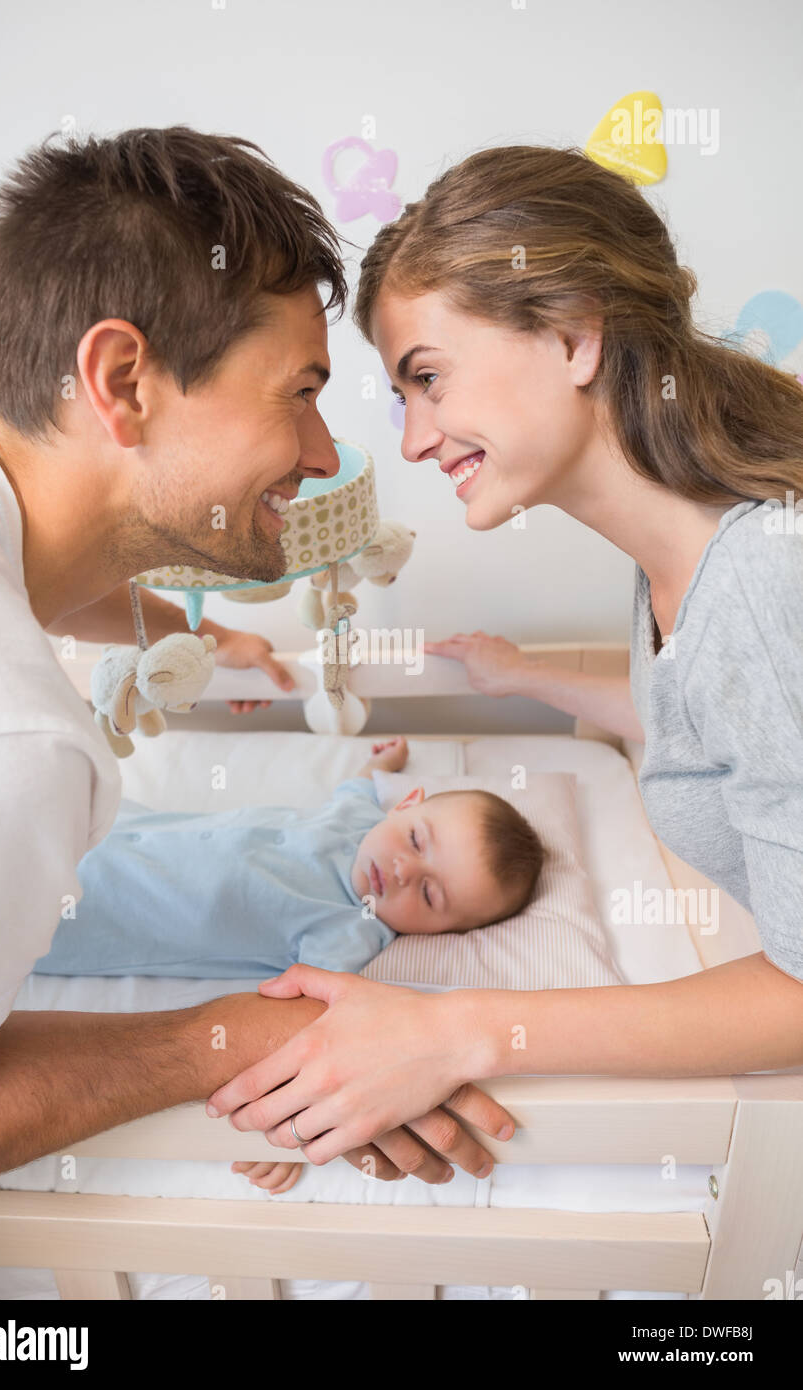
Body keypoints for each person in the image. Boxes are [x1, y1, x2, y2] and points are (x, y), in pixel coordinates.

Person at [205, 144, 803, 1172]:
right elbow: (723, 722)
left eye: (425, 380)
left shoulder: (754, 575)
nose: (412, 440)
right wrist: (524, 675)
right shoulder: (682, 566)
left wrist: (453, 1030)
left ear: (573, 333)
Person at [0, 128, 515, 1193]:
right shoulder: (7, 752)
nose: (325, 454)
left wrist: (189, 634)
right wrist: (211, 1037)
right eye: (298, 390)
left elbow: (53, 579)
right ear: (122, 379)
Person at [33, 732, 544, 976]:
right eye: (415, 840)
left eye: (431, 894)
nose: (404, 870)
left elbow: (301, 1021)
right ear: (405, 805)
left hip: (93, 912)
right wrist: (386, 761)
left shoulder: (349, 932)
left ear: (441, 935)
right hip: (123, 828)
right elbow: (359, 788)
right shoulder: (361, 820)